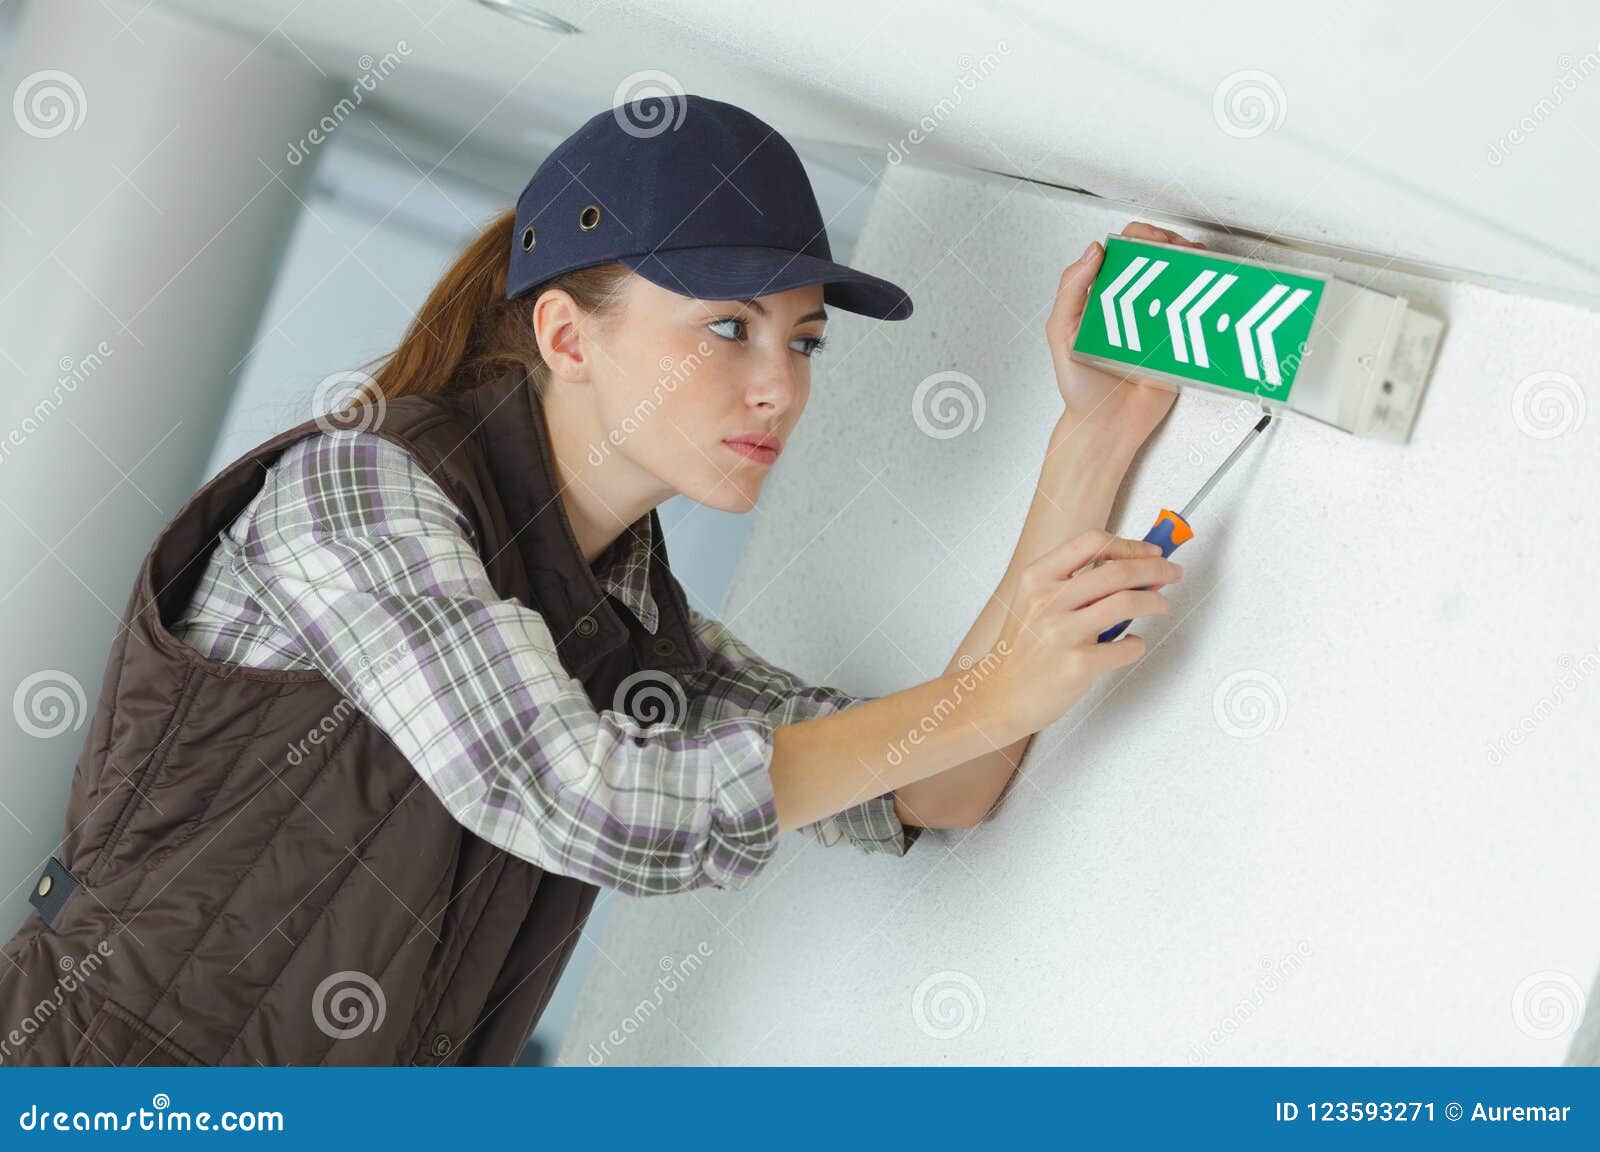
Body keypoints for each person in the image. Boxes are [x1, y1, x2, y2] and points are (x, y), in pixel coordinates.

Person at [0, 93, 1186, 1066]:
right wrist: (991, 696)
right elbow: (581, 798)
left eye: (805, 339)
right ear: (568, 336)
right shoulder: (360, 492)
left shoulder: (639, 637)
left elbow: (942, 777)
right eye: (729, 328)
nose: (782, 387)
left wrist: (1089, 442)